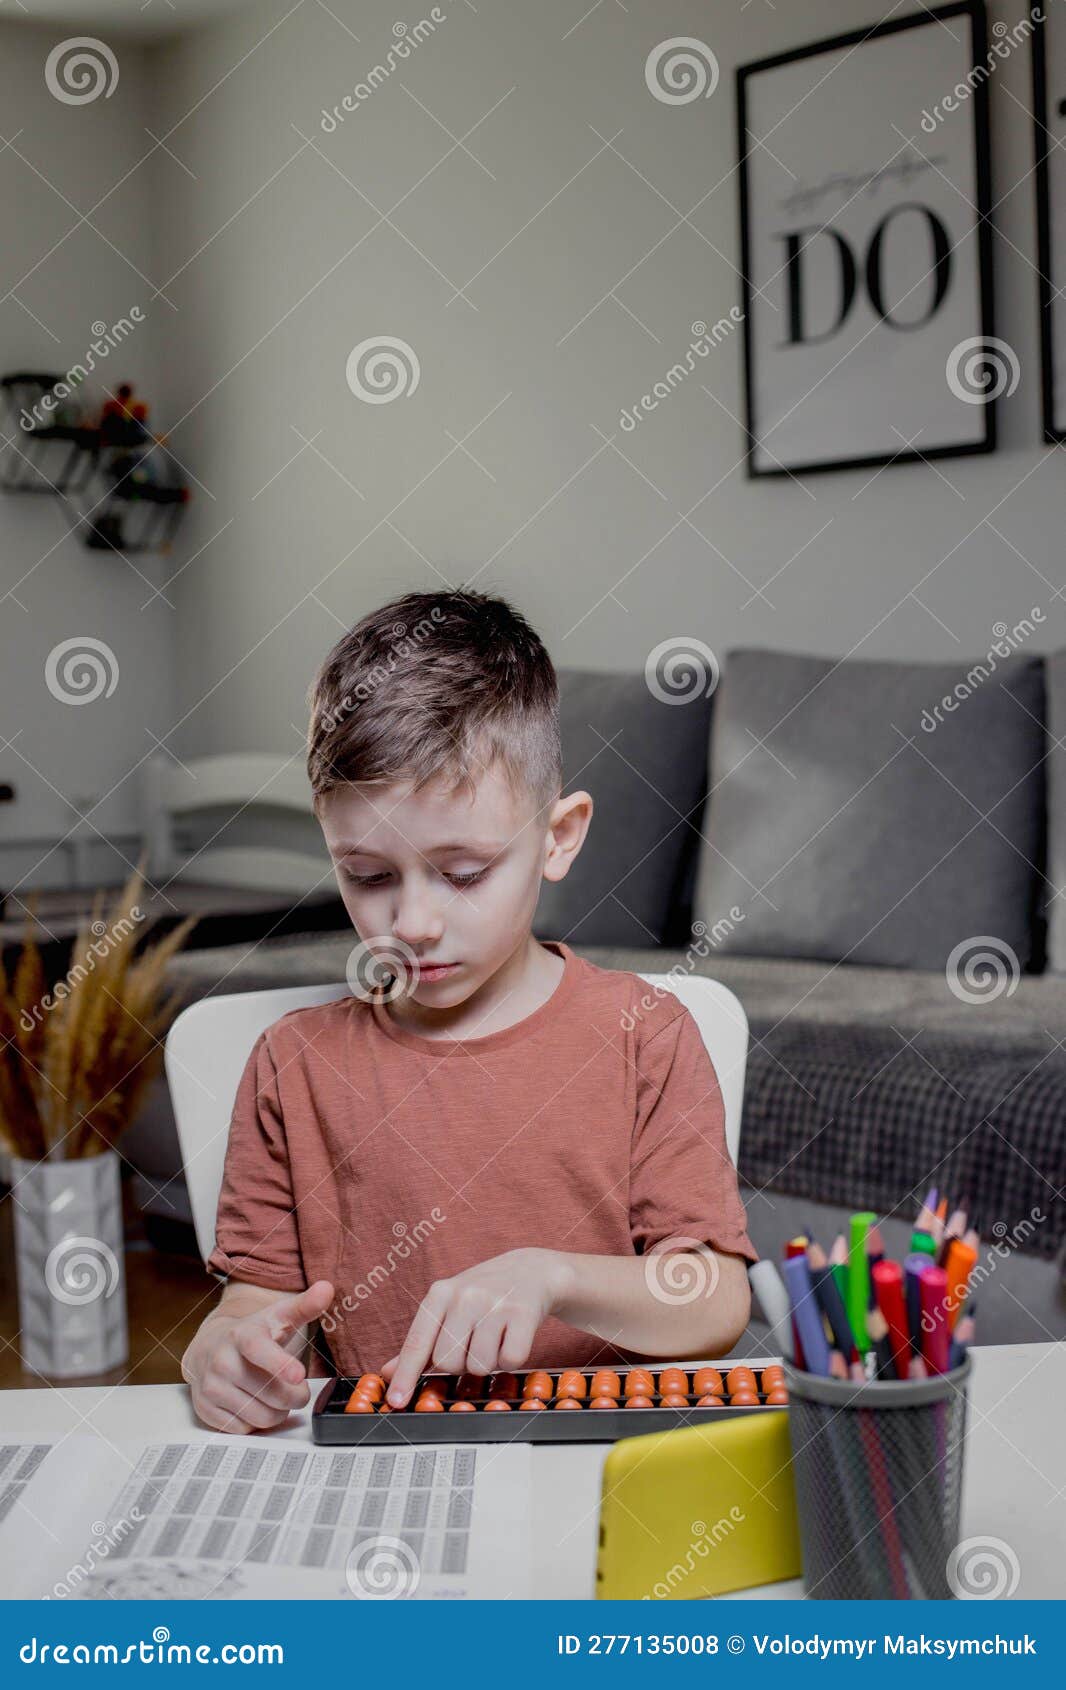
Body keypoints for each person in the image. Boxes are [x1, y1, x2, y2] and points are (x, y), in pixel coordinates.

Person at [180, 588, 756, 1432]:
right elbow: (252, 1304)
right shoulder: (292, 1065)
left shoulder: (645, 1036)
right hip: (389, 1477)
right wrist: (222, 1351)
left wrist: (552, 1277)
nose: (411, 922)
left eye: (462, 872)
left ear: (558, 838)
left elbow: (713, 1299)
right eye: (368, 875)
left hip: (602, 1465)